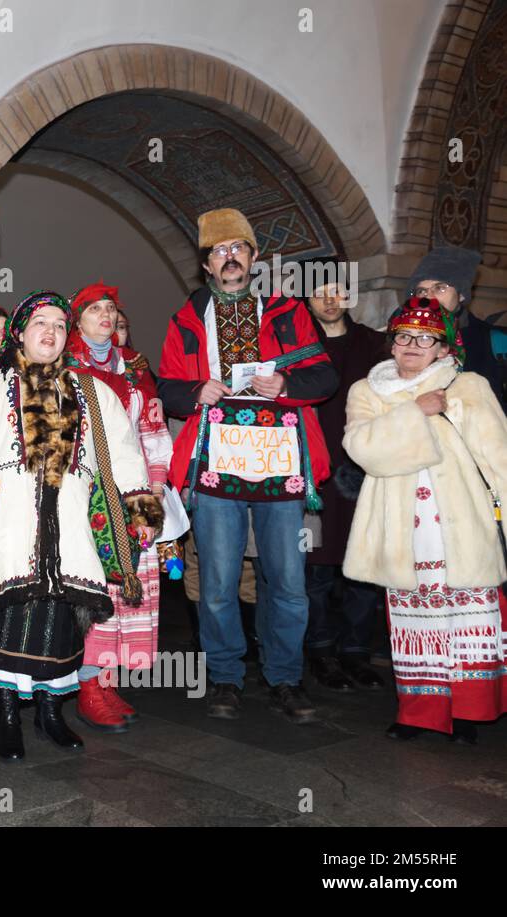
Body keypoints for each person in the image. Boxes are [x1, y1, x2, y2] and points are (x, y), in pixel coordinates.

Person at [0, 291, 161, 760]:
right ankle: (8, 718)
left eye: (60, 324)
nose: (51, 332)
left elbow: (123, 451)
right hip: (7, 532)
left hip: (70, 529)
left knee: (60, 625)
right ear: (19, 332)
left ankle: (51, 713)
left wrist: (140, 509)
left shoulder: (92, 392)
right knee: (5, 625)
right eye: (41, 322)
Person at [157, 207, 338, 723]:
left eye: (238, 248)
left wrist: (286, 385)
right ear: (206, 266)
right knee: (216, 581)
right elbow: (166, 385)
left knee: (286, 580)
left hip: (282, 464)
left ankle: (285, 678)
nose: (229, 258)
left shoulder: (288, 311)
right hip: (216, 463)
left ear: (253, 258)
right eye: (218, 251)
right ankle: (226, 679)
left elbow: (324, 377)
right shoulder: (186, 318)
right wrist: (196, 391)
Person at [343, 298, 507, 745]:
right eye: (403, 337)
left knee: (467, 616)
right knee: (414, 624)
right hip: (401, 526)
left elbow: (499, 459)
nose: (412, 345)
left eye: (425, 339)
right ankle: (419, 713)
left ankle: (469, 714)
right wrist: (416, 411)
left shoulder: (468, 385)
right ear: (391, 345)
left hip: (462, 521)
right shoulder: (366, 392)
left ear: (442, 348)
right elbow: (362, 449)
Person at [65, 283, 179, 731]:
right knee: (96, 589)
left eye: (111, 309)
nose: (106, 315)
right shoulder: (66, 367)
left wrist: (152, 495)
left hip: (130, 490)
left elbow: (152, 428)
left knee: (128, 590)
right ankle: (86, 686)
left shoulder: (134, 367)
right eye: (95, 309)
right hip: (85, 495)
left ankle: (107, 681)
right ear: (78, 320)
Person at [297, 263, 387, 691]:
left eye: (337, 291)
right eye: (320, 293)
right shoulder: (296, 348)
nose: (330, 300)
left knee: (364, 569)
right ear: (305, 298)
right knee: (314, 570)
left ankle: (356, 652)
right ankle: (321, 651)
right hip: (311, 478)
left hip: (364, 475)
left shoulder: (373, 344)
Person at [404, 246, 505, 408]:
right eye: (421, 291)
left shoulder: (493, 341)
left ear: (461, 294)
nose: (428, 297)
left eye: (440, 288)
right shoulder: (398, 341)